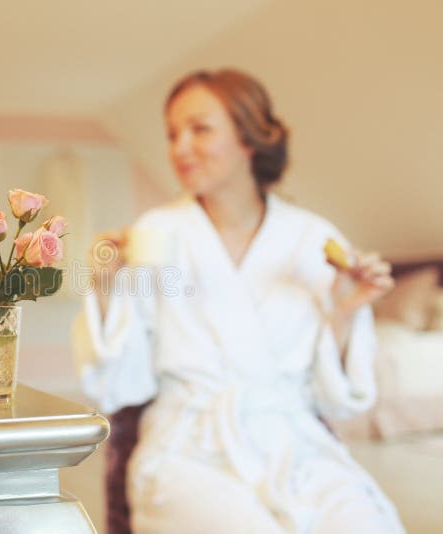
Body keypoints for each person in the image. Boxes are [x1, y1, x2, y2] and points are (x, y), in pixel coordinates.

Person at [72, 69, 405, 533]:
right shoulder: (157, 235)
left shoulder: (313, 237)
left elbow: (340, 402)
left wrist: (346, 313)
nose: (180, 147)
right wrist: (107, 289)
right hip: (187, 450)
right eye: (172, 134)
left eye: (200, 129)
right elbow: (119, 385)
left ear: (250, 137)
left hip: (295, 447)